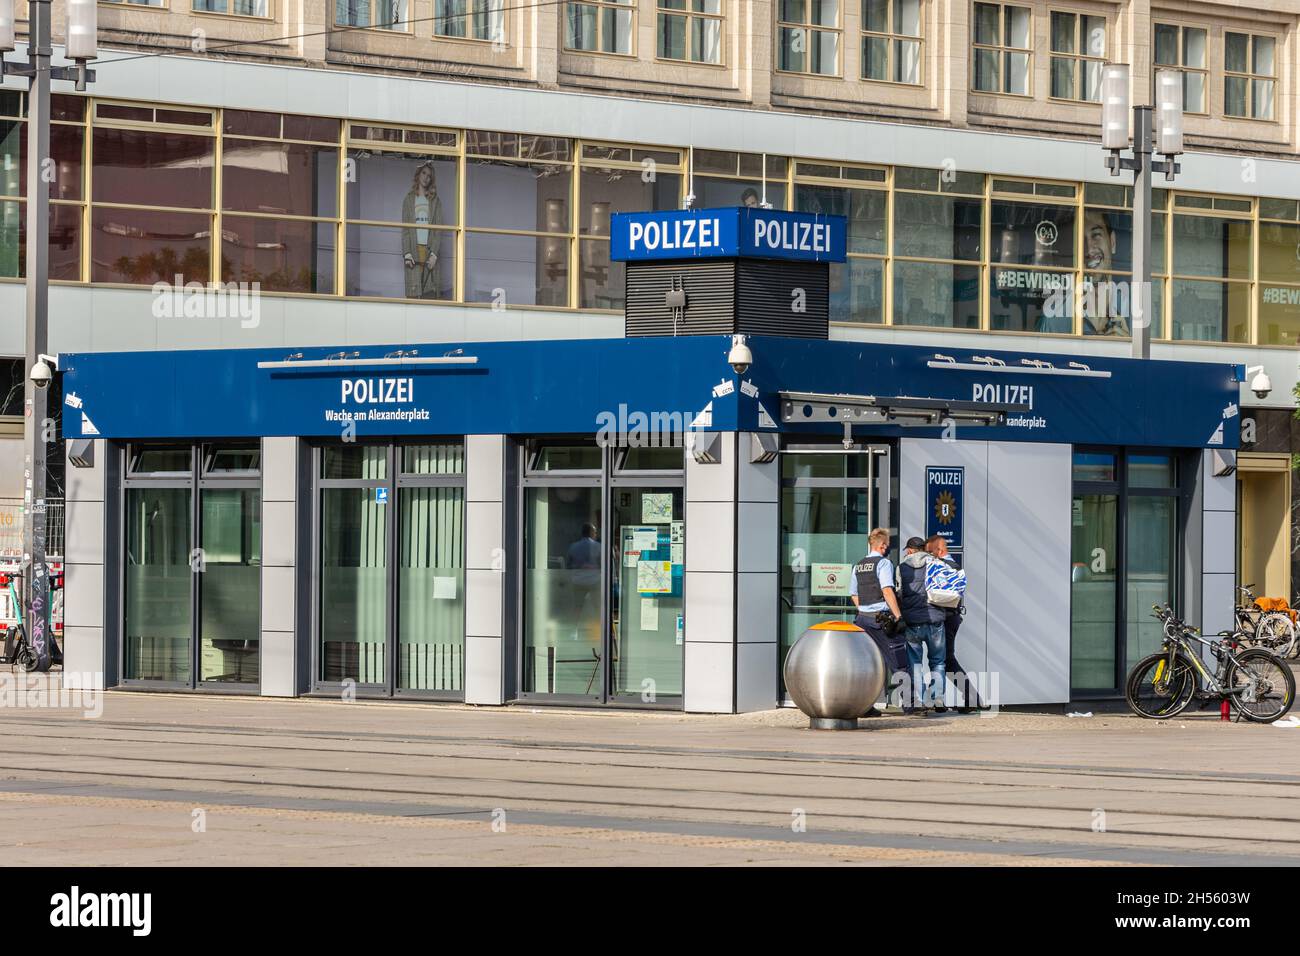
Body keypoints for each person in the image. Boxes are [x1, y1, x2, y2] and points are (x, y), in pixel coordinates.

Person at [850, 528, 908, 714]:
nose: (888, 548)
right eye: (887, 545)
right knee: (898, 662)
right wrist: (898, 616)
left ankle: (864, 706)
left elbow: (854, 594)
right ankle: (909, 705)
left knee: (868, 665)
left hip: (862, 620)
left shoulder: (858, 565)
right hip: (881, 620)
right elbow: (887, 591)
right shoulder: (883, 563)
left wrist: (864, 611)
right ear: (882, 546)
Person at [926, 534, 980, 711]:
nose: (928, 556)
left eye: (930, 552)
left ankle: (971, 698)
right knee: (944, 659)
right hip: (953, 616)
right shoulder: (956, 567)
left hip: (945, 617)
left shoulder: (941, 567)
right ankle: (969, 698)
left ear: (939, 550)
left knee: (944, 659)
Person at [898, 536, 947, 713]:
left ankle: (919, 700)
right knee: (938, 661)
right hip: (935, 620)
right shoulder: (937, 563)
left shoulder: (902, 568)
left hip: (913, 622)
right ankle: (937, 698)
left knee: (915, 664)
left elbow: (899, 594)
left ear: (910, 550)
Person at [401, 162, 445, 300]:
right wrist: (407, 253)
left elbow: (438, 230)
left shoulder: (435, 201)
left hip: (429, 250)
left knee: (430, 293)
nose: (426, 178)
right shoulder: (409, 199)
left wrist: (434, 255)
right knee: (413, 292)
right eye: (424, 173)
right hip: (414, 250)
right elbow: (406, 229)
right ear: (418, 174)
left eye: (429, 176)